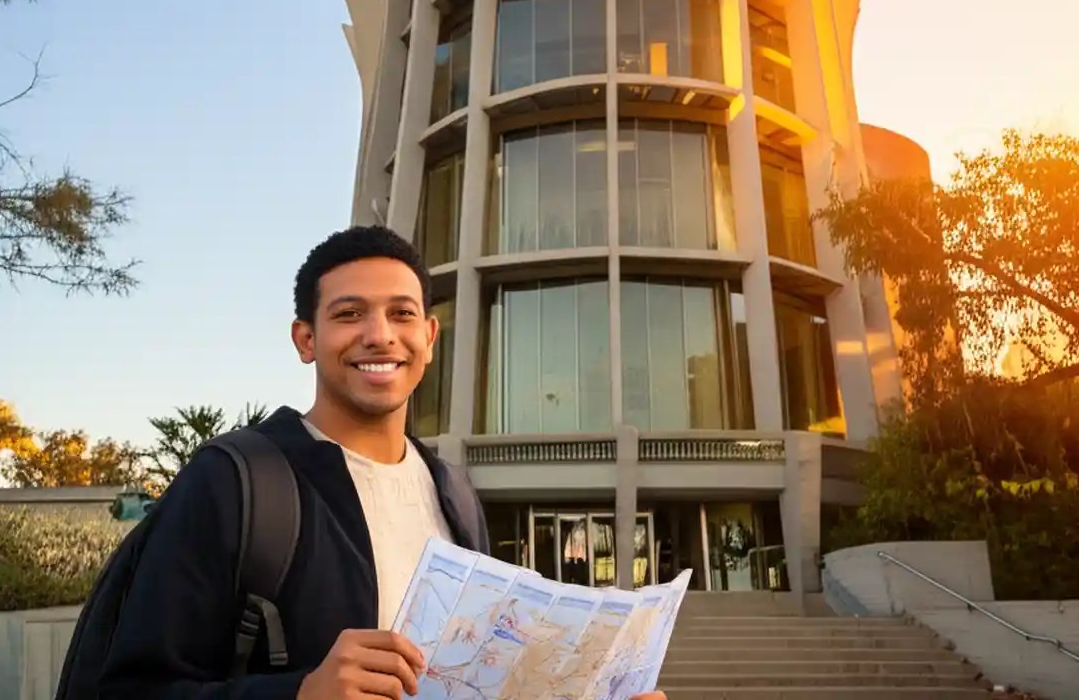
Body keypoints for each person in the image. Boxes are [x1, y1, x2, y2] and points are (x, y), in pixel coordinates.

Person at [98, 226, 665, 700]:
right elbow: (127, 690)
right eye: (349, 314)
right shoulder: (235, 481)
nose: (380, 335)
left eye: (402, 314)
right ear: (306, 339)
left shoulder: (455, 495)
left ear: (429, 335)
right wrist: (297, 694)